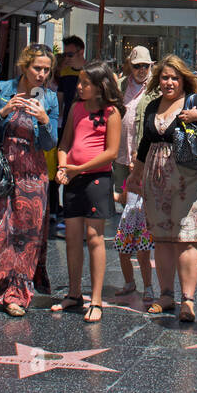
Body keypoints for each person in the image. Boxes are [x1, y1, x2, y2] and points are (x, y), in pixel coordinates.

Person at [0, 44, 59, 322]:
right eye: (37, 68)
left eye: (46, 69)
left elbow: (49, 143)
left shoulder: (50, 98)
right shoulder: (1, 89)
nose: (42, 74)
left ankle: (16, 295)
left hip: (31, 174)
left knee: (25, 235)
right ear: (24, 66)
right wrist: (3, 111)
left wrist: (44, 120)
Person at [130, 56, 197, 322]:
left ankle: (189, 299)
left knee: (186, 238)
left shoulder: (196, 101)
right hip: (156, 178)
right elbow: (146, 143)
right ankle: (166, 295)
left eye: (174, 78)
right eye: (164, 77)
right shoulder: (152, 106)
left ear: (184, 79)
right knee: (162, 238)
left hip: (190, 178)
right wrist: (136, 174)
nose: (169, 82)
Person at [53, 61, 123, 323]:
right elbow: (65, 142)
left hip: (97, 180)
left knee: (95, 238)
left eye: (85, 83)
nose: (80, 87)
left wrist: (77, 168)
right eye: (79, 82)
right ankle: (73, 293)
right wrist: (63, 166)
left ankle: (95, 299)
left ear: (99, 86)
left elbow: (111, 152)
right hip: (72, 178)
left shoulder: (111, 112)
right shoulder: (76, 108)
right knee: (72, 238)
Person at [114, 48, 156, 304]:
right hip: (119, 157)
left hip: (142, 161)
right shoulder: (120, 85)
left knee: (142, 227)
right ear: (130, 65)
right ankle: (130, 281)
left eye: (145, 66)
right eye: (137, 66)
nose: (141, 70)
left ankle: (149, 284)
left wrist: (139, 159)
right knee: (125, 220)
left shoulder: (155, 88)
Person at [51, 36, 86, 237]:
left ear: (81, 52)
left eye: (70, 54)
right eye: (65, 54)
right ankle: (66, 212)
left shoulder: (89, 72)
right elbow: (60, 101)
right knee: (64, 166)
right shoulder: (64, 72)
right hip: (67, 126)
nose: (67, 58)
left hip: (85, 126)